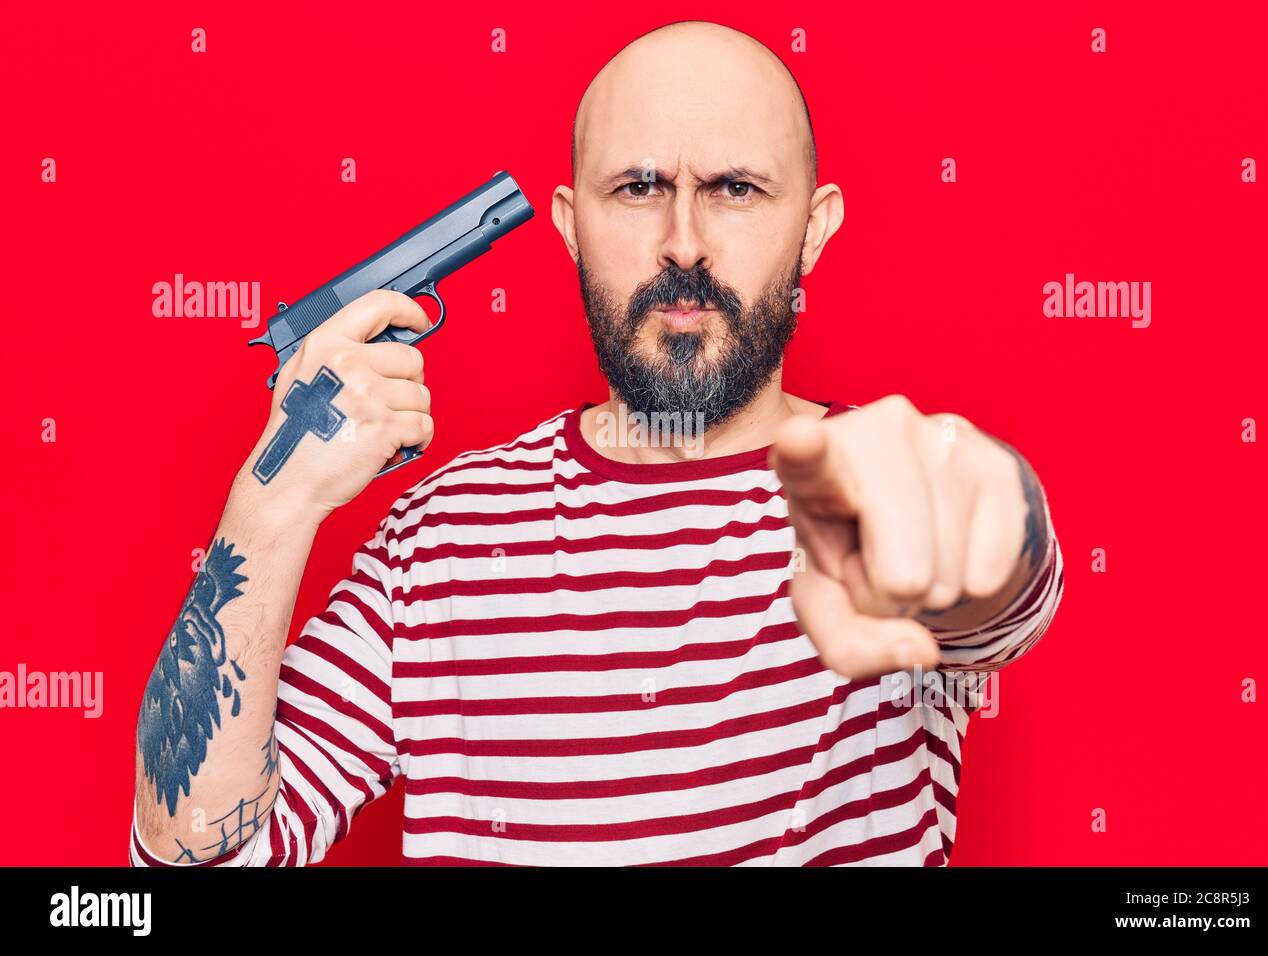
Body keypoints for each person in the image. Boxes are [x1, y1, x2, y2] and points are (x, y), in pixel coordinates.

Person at [131, 19, 1062, 867]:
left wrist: (974, 516)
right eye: (639, 187)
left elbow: (999, 583)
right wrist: (272, 499)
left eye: (736, 189)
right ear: (573, 227)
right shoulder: (440, 539)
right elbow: (196, 861)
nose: (684, 242)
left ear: (813, 229)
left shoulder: (877, 491)